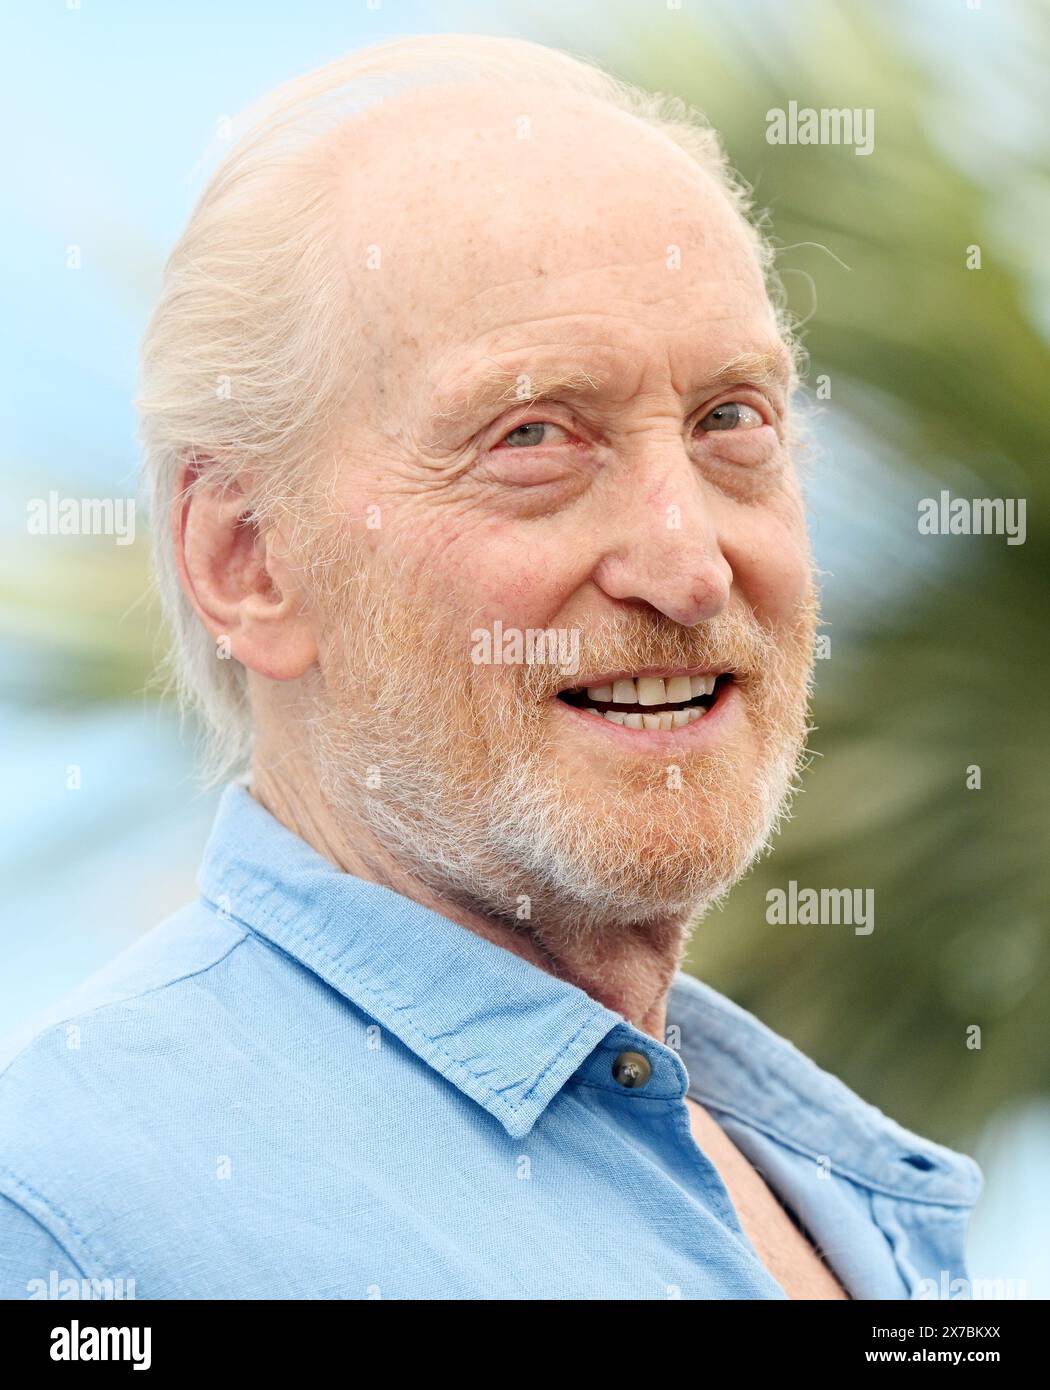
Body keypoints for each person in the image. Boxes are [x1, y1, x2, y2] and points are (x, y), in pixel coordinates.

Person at [0, 33, 980, 1300]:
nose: (687, 566)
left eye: (730, 420)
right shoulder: (69, 1225)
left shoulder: (814, 1177)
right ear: (247, 558)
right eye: (533, 437)